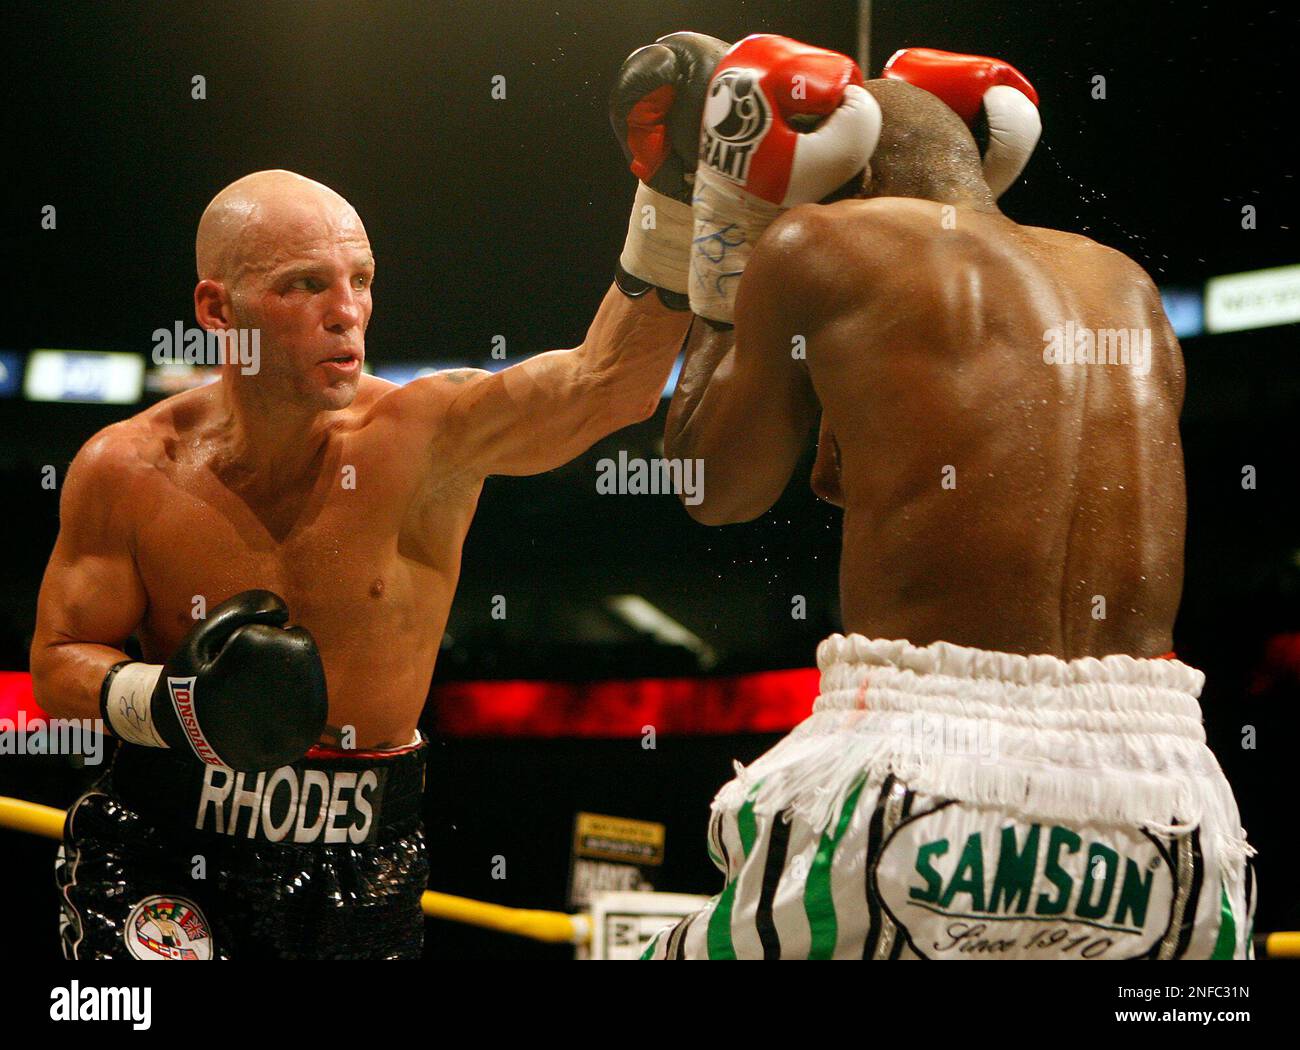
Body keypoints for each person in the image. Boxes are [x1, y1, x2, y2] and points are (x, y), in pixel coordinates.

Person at [32, 27, 728, 955]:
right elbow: (57, 663)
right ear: (215, 309)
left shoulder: (427, 438)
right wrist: (174, 707)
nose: (347, 311)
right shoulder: (126, 466)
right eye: (305, 285)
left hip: (364, 852)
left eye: (360, 280)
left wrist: (674, 197)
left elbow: (611, 383)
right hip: (164, 848)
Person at [647, 42, 1254, 959]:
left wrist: (728, 226)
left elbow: (710, 489)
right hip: (1174, 804)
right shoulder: (1123, 282)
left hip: (926, 780)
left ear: (835, 180)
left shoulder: (818, 243)